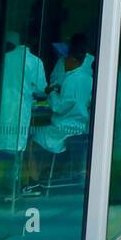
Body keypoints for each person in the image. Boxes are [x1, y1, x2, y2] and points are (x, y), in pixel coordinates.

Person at [25, 33, 93, 193]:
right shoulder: (89, 79)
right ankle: (44, 173)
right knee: (41, 138)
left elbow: (60, 108)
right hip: (80, 128)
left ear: (75, 60)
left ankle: (33, 181)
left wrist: (53, 93)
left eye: (67, 60)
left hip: (63, 129)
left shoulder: (70, 79)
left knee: (29, 140)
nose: (64, 63)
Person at [0, 31, 46, 155]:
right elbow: (41, 89)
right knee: (17, 145)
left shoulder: (6, 57)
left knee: (1, 141)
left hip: (3, 104)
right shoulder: (35, 61)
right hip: (21, 107)